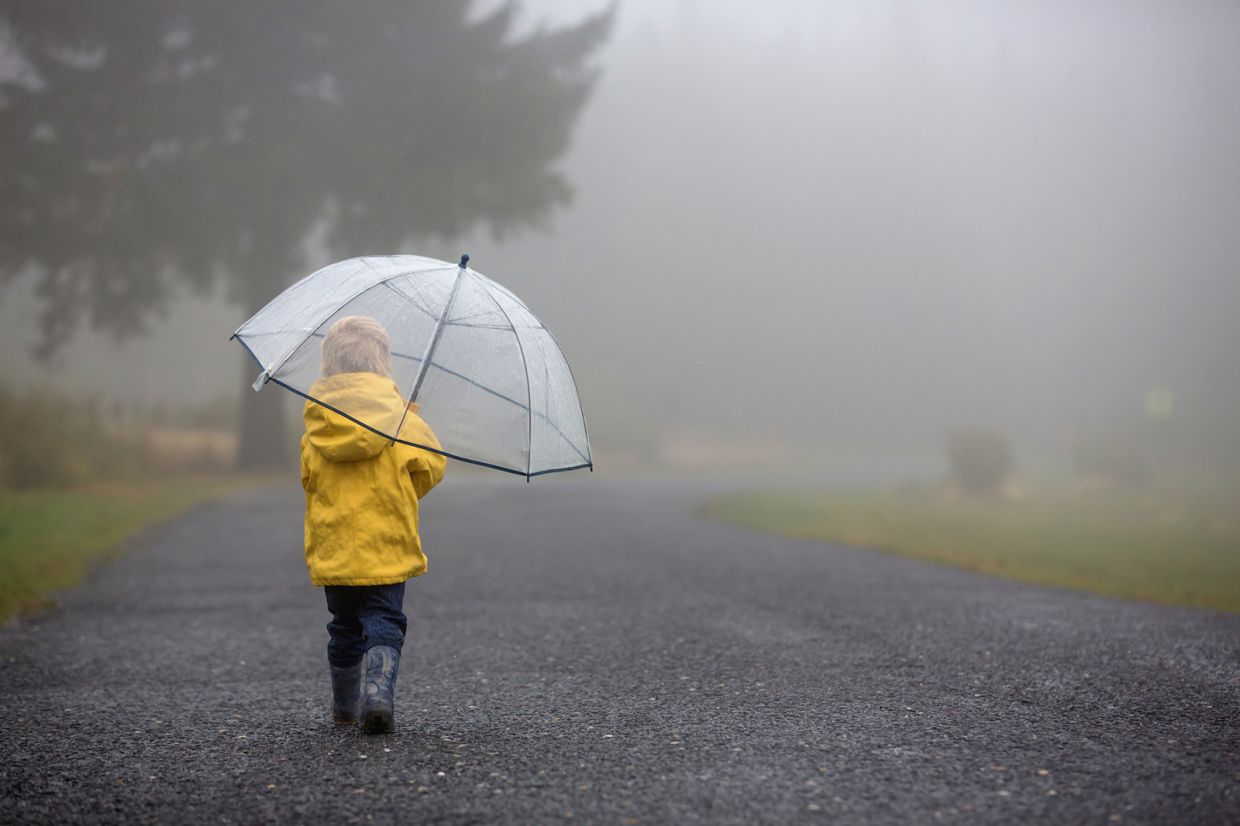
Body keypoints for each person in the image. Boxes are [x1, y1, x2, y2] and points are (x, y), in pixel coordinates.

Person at [299, 316, 446, 733]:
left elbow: (308, 478)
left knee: (343, 625)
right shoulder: (401, 420)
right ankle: (378, 696)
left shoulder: (316, 423)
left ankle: (344, 706)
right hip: (386, 542)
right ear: (383, 363)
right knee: (384, 618)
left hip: (336, 548)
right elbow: (431, 467)